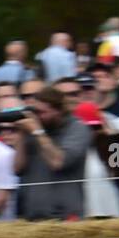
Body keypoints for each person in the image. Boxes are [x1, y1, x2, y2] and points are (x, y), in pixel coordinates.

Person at [13, 86, 91, 220]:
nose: (37, 116)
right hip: (33, 216)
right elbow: (17, 168)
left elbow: (58, 162)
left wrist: (38, 132)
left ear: (58, 111)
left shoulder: (78, 129)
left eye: (42, 112)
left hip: (65, 217)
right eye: (35, 111)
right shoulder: (33, 129)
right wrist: (21, 134)